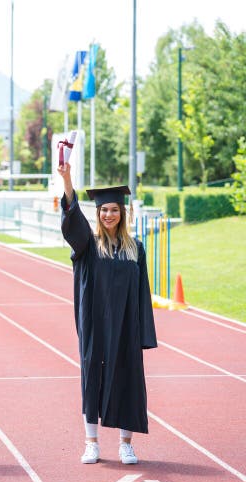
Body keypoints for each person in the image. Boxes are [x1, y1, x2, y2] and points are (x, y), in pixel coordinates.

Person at [58, 163, 157, 465]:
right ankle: (91, 442)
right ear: (98, 214)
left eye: (114, 210)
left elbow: (142, 292)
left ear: (122, 214)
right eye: (104, 210)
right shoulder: (88, 246)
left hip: (127, 326)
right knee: (93, 379)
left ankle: (126, 444)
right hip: (95, 325)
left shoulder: (135, 249)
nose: (109, 215)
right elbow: (72, 221)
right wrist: (66, 180)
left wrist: (143, 333)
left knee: (128, 381)